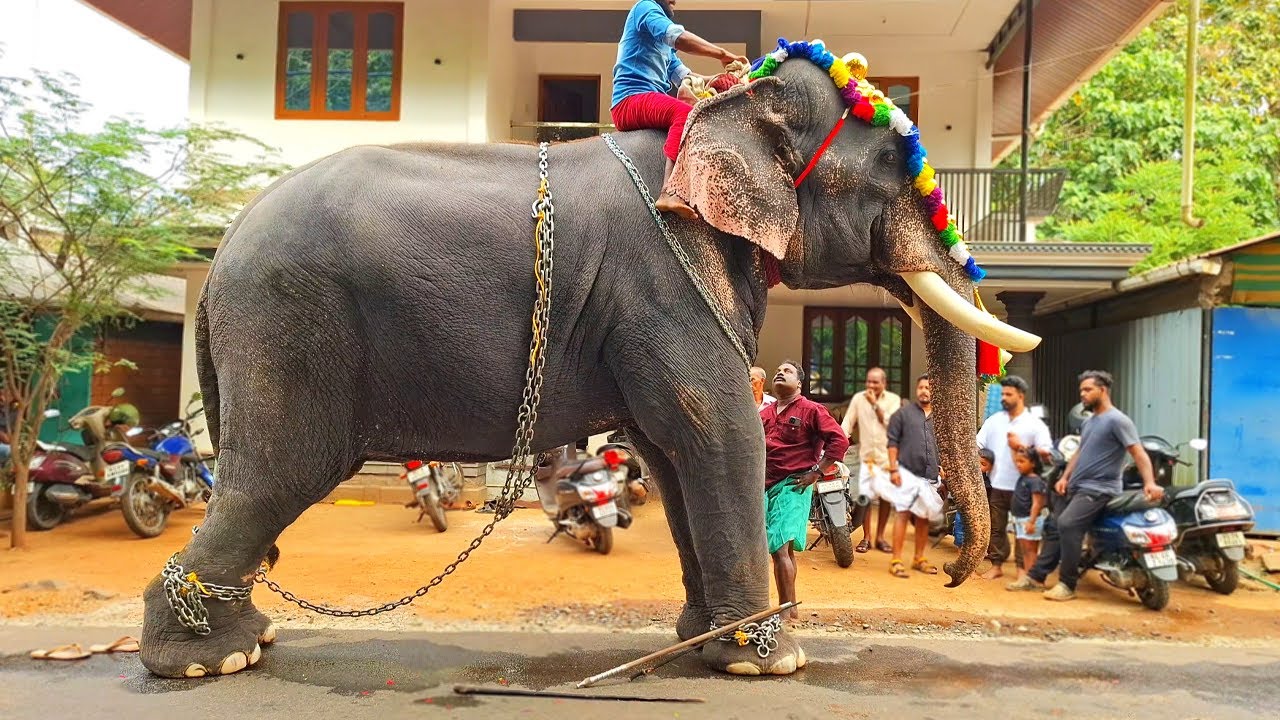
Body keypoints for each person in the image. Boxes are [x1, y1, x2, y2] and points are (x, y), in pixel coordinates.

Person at [1007, 370, 1165, 600]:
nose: (1083, 394)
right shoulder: (1091, 422)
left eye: (1088, 390)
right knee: (1054, 526)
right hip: (1076, 487)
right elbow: (1080, 452)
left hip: (1099, 489)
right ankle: (1036, 577)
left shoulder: (1118, 420)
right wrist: (1064, 478)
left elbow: (1137, 451)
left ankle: (1067, 584)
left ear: (1103, 390)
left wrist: (1149, 482)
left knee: (1069, 524)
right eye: (1081, 390)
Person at [610, 0, 747, 220]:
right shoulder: (645, 8)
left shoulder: (663, 44)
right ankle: (669, 192)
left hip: (644, 99)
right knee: (684, 113)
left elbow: (686, 77)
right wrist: (722, 54)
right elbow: (679, 38)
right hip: (629, 101)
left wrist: (721, 80)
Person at [761, 360, 849, 619]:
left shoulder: (812, 410)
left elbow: (839, 440)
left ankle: (784, 612)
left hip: (793, 485)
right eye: (778, 370)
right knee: (784, 550)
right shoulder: (765, 414)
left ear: (799, 383)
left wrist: (817, 472)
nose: (780, 372)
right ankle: (791, 610)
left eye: (787, 371)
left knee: (779, 549)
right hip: (766, 486)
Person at [975, 375, 1053, 580]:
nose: (1004, 398)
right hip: (997, 483)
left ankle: (1022, 569)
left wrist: (1020, 446)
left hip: (1023, 486)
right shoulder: (993, 421)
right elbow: (977, 445)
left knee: (1021, 528)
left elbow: (1047, 455)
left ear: (1020, 396)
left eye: (1008, 394)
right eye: (1003, 393)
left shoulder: (1034, 424)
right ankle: (997, 564)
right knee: (996, 527)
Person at [880, 374, 943, 577]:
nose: (924, 390)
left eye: (929, 387)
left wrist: (942, 465)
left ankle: (919, 558)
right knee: (903, 514)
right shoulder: (903, 414)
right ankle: (896, 560)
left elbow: (943, 446)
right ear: (917, 389)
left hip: (930, 475)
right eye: (921, 387)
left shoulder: (941, 418)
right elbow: (892, 443)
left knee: (923, 517)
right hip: (907, 473)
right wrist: (893, 469)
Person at [840, 367, 901, 554]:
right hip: (865, 456)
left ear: (884, 383)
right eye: (869, 381)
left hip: (887, 456)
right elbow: (847, 423)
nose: (871, 385)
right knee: (864, 496)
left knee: (884, 497)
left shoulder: (893, 400)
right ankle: (866, 537)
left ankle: (880, 537)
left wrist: (875, 405)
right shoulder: (859, 399)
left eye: (875, 382)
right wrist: (839, 442)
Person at [1009, 447, 1047, 583]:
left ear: (1033, 463)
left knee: (1031, 551)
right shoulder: (1023, 477)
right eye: (1017, 461)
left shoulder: (1035, 481)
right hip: (1021, 519)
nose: (1018, 464)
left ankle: (1034, 578)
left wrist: (1031, 521)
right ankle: (1028, 577)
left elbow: (1037, 503)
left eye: (1022, 461)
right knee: (1025, 550)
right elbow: (1014, 458)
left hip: (1029, 520)